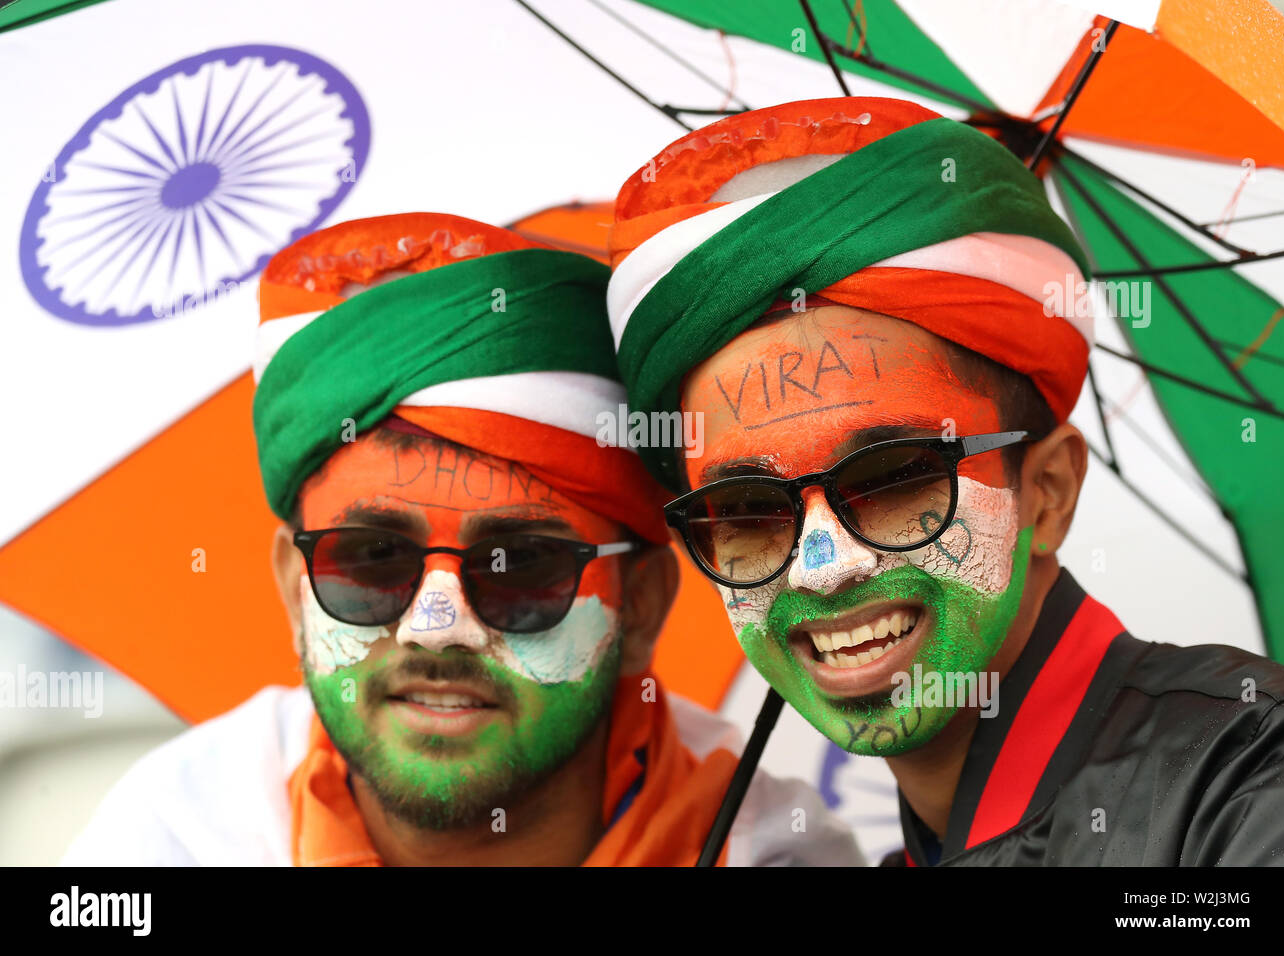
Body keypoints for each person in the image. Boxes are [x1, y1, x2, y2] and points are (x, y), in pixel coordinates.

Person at [605, 97, 1284, 866]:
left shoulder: (1256, 790)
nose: (822, 568)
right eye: (747, 512)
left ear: (1049, 491)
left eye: (894, 477)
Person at [62, 212, 863, 866]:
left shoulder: (772, 855)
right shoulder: (176, 836)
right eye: (372, 559)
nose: (436, 628)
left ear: (643, 603)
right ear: (291, 584)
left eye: (521, 567)